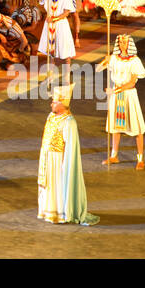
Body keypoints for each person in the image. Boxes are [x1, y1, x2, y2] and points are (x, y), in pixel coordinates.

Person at [37, 84, 98, 225]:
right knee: (49, 184)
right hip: (48, 157)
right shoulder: (51, 117)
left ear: (63, 103)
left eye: (55, 101)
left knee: (58, 185)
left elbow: (70, 148)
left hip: (59, 159)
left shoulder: (69, 122)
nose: (51, 103)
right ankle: (49, 211)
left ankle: (61, 212)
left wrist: (66, 166)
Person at [99, 34, 145, 168]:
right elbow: (98, 68)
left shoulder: (135, 60)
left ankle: (140, 158)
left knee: (136, 127)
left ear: (129, 44)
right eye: (120, 42)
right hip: (117, 95)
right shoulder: (114, 58)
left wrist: (114, 91)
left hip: (128, 95)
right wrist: (105, 60)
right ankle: (114, 156)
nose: (122, 45)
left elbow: (131, 83)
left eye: (124, 43)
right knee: (115, 126)